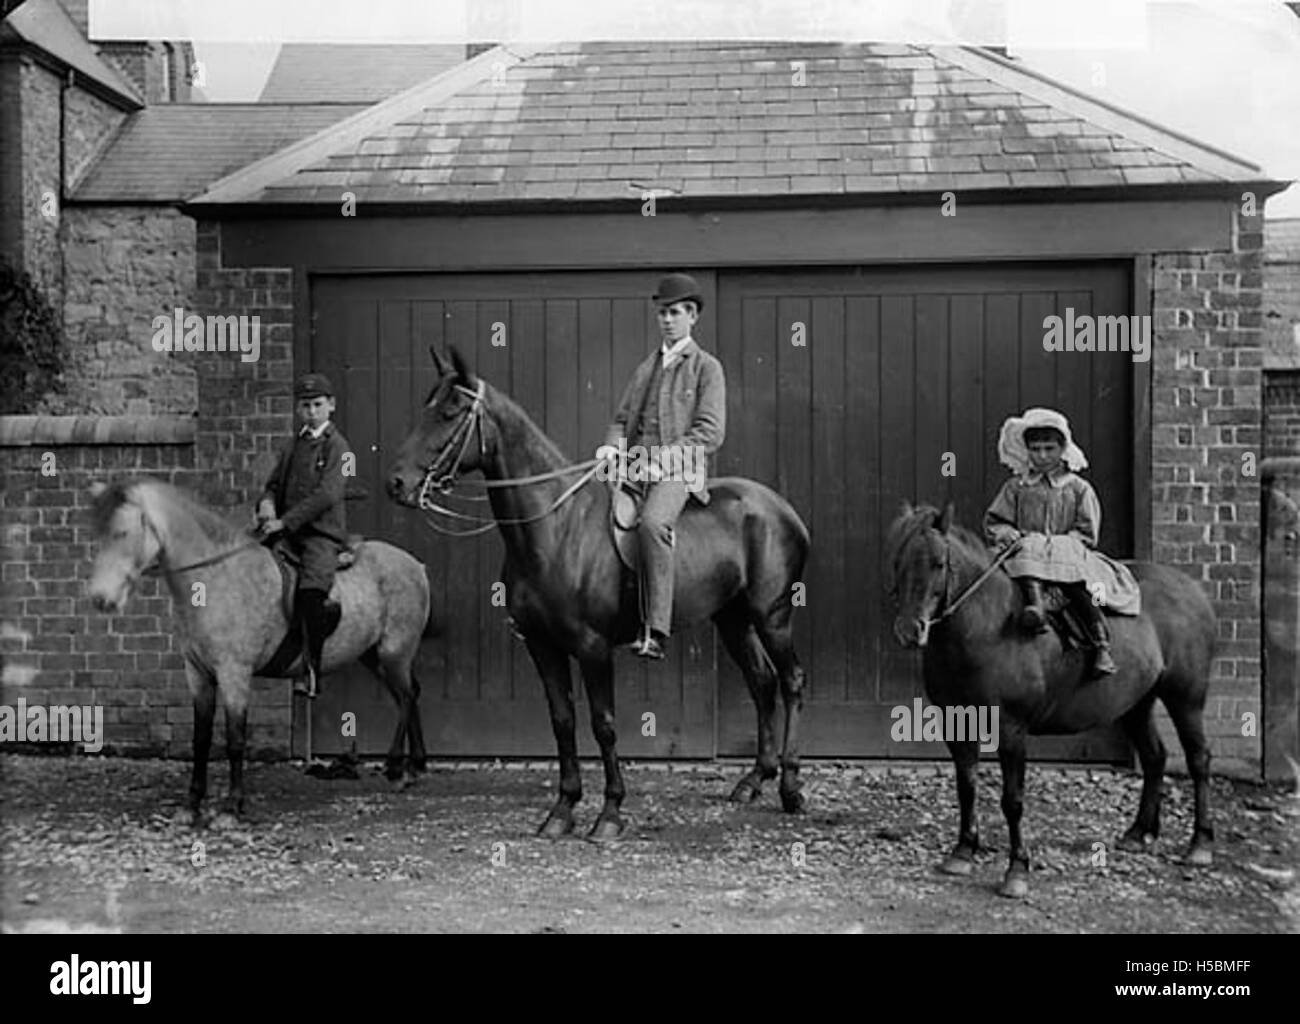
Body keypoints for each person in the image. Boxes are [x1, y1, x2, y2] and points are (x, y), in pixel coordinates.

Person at [596, 273, 726, 659]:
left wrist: (662, 462)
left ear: (692, 316)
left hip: (680, 471)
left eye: (674, 313)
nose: (667, 320)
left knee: (652, 524)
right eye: (662, 314)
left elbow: (710, 432)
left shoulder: (706, 368)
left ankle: (656, 628)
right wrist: (610, 449)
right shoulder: (645, 369)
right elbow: (621, 419)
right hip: (635, 468)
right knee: (591, 512)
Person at [983, 407, 1141, 679]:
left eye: (1049, 448)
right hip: (1024, 555)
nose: (1042, 456)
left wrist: (1057, 544)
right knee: (1014, 560)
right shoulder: (1016, 487)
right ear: (1026, 450)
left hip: (1067, 555)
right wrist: (1005, 532)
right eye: (1035, 449)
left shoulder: (1078, 488)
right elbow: (996, 520)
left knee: (1084, 587)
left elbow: (1086, 532)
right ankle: (1033, 609)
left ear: (1062, 449)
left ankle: (1101, 643)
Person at [255, 372, 351, 697]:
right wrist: (267, 506)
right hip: (286, 532)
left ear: (331, 406)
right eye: (305, 405)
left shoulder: (340, 448)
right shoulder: (292, 446)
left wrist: (285, 522)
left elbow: (327, 494)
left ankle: (310, 672)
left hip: (320, 536)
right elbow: (272, 485)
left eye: (317, 405)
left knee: (310, 596)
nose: (311, 411)